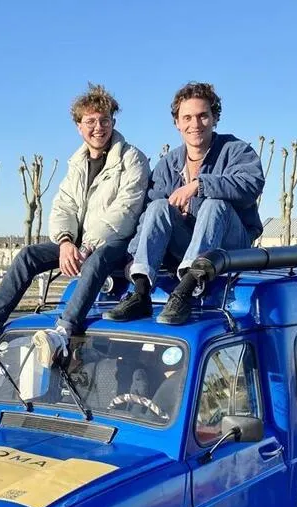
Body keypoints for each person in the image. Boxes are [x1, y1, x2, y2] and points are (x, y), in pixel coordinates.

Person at [0, 83, 150, 366]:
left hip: (116, 243)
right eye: (91, 121)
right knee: (28, 255)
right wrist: (66, 242)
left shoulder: (132, 159)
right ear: (79, 127)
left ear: (113, 123)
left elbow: (126, 210)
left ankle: (63, 332)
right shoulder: (77, 163)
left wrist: (87, 246)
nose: (99, 127)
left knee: (97, 260)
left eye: (104, 120)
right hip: (80, 244)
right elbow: (64, 205)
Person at [103, 82, 265, 325]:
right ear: (177, 123)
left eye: (203, 116)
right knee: (158, 206)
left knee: (214, 204)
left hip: (230, 247)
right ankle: (141, 292)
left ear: (215, 118)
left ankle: (186, 291)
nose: (195, 124)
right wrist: (132, 256)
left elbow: (251, 184)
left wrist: (199, 185)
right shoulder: (168, 164)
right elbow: (149, 214)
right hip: (185, 244)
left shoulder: (236, 150)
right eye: (187, 118)